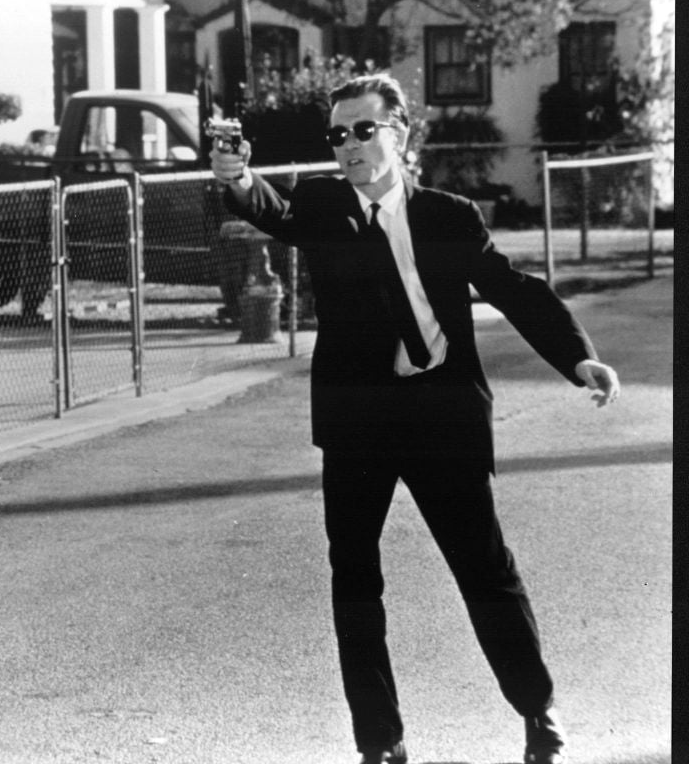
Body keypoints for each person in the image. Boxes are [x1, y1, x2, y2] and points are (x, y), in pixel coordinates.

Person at [210, 73, 620, 764]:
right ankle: (380, 740)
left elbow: (514, 289)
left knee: (485, 571)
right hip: (358, 422)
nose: (349, 147)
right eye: (338, 135)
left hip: (443, 416)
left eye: (364, 130)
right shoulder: (320, 205)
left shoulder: (448, 216)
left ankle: (538, 712)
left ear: (399, 133)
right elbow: (269, 208)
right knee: (355, 580)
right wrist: (238, 175)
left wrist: (577, 357)